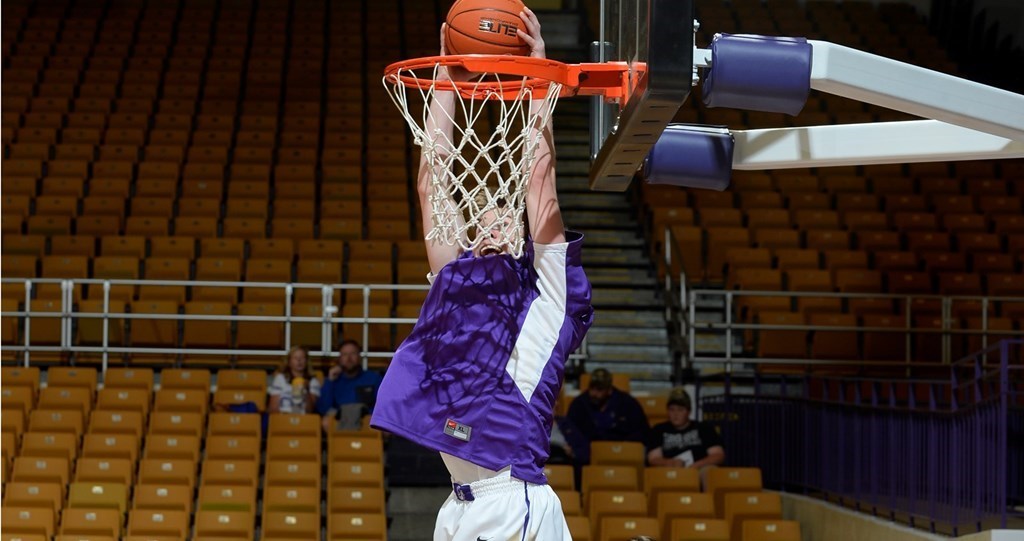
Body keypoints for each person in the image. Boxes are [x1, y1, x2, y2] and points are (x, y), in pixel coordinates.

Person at [371, 9, 593, 541]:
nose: (490, 219)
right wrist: (448, 72)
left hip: (511, 496)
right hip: (460, 504)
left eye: (503, 214)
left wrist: (539, 75)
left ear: (520, 241)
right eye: (481, 217)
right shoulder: (461, 288)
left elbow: (540, 183)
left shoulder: (547, 301)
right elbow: (433, 179)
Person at [559, 368, 650, 465]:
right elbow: (570, 433)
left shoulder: (627, 404)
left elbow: (642, 433)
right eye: (592, 388)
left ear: (609, 390)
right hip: (589, 457)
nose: (594, 393)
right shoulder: (579, 404)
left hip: (621, 455)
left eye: (599, 389)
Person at [645, 387, 725, 473]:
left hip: (699, 469)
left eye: (680, 410)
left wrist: (696, 466)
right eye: (672, 410)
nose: (676, 414)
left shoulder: (704, 428)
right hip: (669, 470)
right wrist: (671, 463)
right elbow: (653, 458)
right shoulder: (658, 430)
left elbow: (718, 455)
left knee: (710, 471)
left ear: (688, 411)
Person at [318, 339, 383, 431]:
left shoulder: (374, 378)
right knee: (326, 421)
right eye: (345, 354)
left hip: (367, 420)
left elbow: (382, 406)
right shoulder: (333, 380)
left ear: (359, 357)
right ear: (339, 359)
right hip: (340, 420)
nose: (349, 358)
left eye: (353, 353)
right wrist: (330, 381)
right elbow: (323, 408)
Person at [267, 346, 321, 414]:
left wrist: (307, 391)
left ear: (306, 361)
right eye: (295, 358)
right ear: (289, 362)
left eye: (302, 358)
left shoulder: (313, 381)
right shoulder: (280, 379)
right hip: (283, 417)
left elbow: (311, 411)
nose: (299, 360)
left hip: (304, 420)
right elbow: (273, 408)